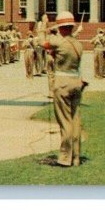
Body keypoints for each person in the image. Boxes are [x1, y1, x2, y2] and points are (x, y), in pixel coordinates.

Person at [43, 11, 86, 167]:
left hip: (62, 83)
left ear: (61, 27)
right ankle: (76, 157)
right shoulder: (78, 44)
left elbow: (42, 42)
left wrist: (43, 25)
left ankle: (65, 157)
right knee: (75, 120)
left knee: (65, 121)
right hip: (76, 81)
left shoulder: (58, 42)